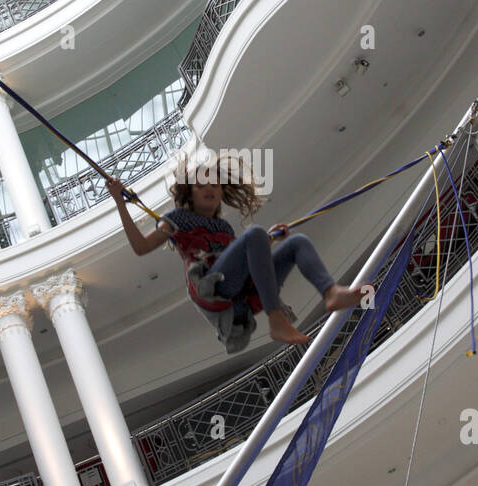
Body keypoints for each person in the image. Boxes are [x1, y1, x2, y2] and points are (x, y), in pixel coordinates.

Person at [106, 152, 370, 355]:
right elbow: (141, 248)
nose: (210, 188)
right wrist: (120, 202)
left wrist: (268, 239)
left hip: (240, 291)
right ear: (189, 192)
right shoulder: (176, 218)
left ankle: (330, 292)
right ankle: (276, 319)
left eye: (215, 185)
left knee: (296, 242)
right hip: (211, 287)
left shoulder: (224, 227)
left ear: (222, 192)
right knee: (255, 234)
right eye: (201, 185)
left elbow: (246, 260)